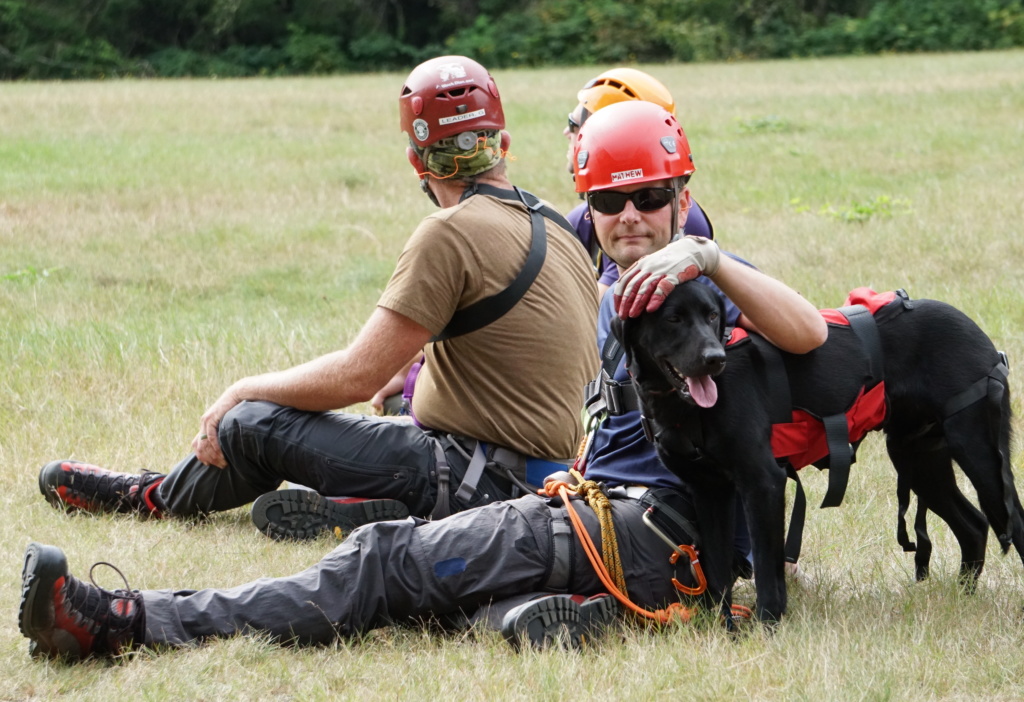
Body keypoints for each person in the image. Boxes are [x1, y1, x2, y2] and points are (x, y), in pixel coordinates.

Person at [19, 99, 827, 660]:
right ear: (588, 203)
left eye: (651, 196)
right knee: (435, 586)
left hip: (649, 533)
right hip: (592, 510)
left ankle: (127, 622)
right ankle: (542, 616)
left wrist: (713, 256)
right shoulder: (607, 282)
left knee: (382, 561)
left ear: (683, 196)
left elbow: (811, 333)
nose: (630, 216)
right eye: (609, 198)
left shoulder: (699, 287)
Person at [36, 55, 600, 540]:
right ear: (502, 142)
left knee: (251, 423)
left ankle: (154, 496)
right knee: (370, 423)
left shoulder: (448, 231)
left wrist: (242, 388)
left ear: (415, 160)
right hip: (545, 477)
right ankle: (373, 512)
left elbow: (356, 377)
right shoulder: (553, 223)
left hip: (477, 477)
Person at [562, 68, 715, 293]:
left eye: (649, 199)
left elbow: (603, 307)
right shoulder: (583, 218)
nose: (567, 131)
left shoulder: (676, 223)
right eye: (606, 201)